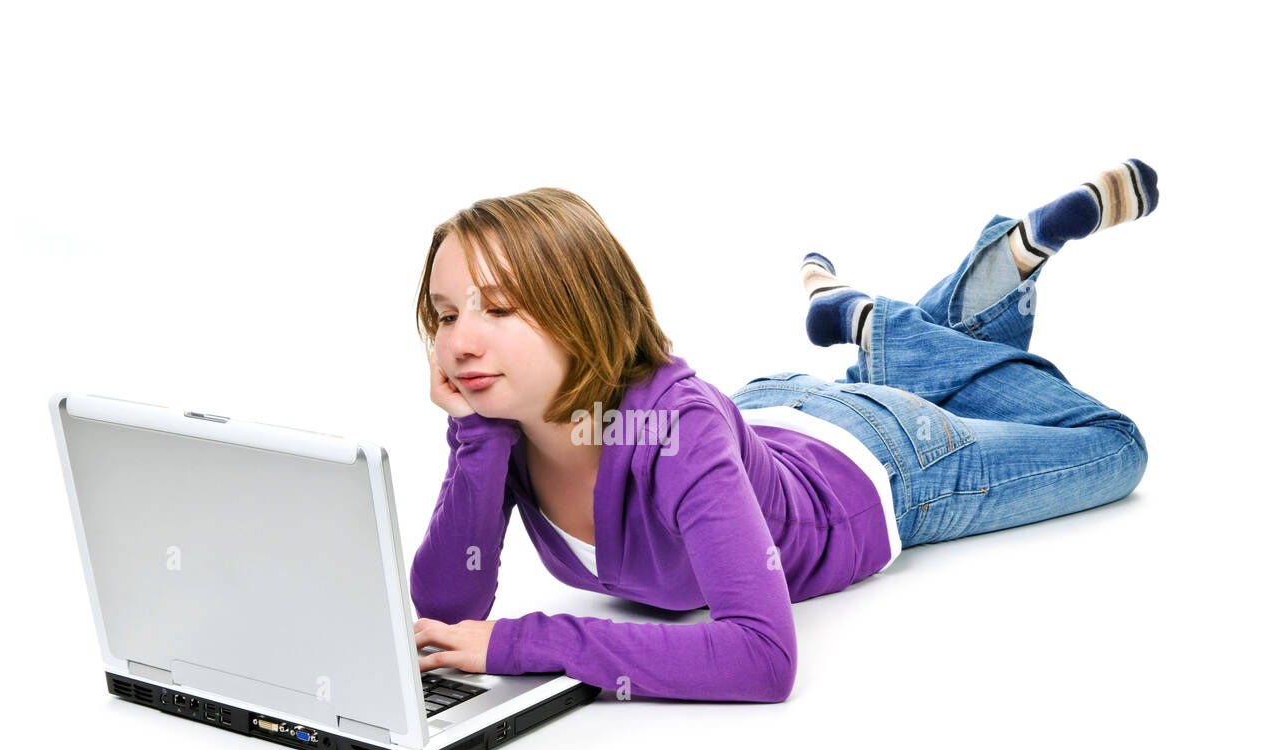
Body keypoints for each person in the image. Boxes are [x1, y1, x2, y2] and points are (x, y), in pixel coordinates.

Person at [409, 161, 1158, 703]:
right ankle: (870, 322)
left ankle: (874, 323)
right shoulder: (505, 430)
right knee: (923, 364)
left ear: (585, 309)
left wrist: (524, 643)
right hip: (769, 406)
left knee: (1115, 443)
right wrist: (473, 440)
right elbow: (445, 616)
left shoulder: (676, 428)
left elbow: (762, 657)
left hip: (889, 460)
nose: (459, 342)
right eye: (446, 315)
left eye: (497, 309)